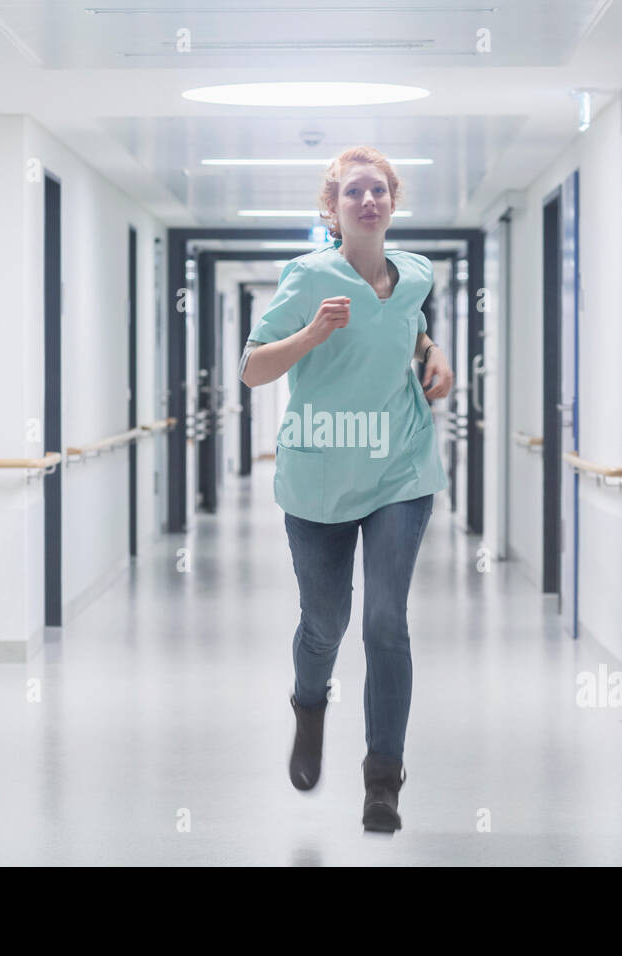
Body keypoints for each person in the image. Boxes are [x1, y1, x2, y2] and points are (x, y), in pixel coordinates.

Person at [239, 145, 453, 832]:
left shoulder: (415, 274)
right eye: (354, 192)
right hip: (320, 477)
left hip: (401, 470)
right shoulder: (306, 277)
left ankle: (382, 782)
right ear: (331, 209)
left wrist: (432, 354)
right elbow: (252, 369)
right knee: (326, 623)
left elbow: (409, 329)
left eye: (379, 191)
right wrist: (310, 334)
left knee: (386, 622)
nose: (368, 202)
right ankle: (309, 703)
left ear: (392, 204)